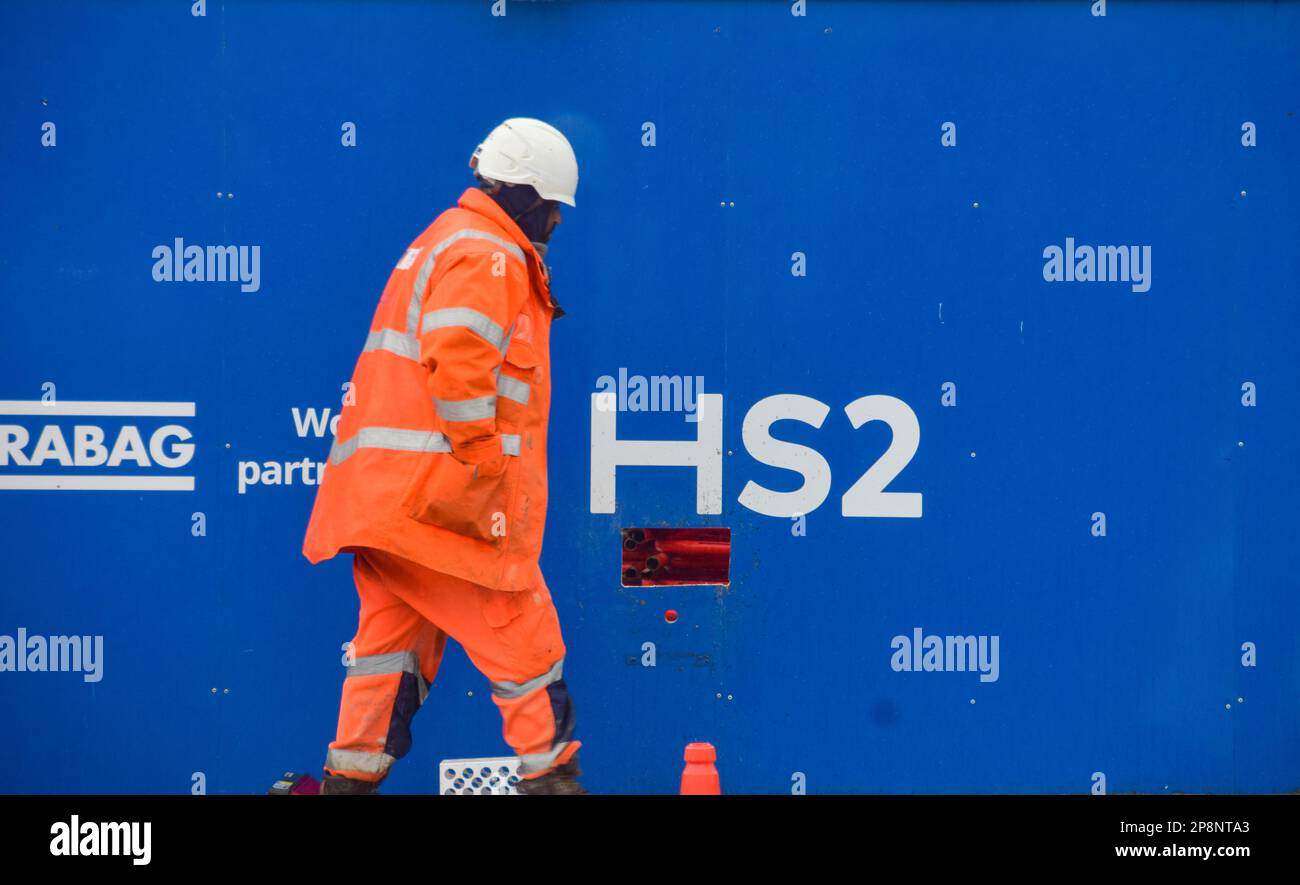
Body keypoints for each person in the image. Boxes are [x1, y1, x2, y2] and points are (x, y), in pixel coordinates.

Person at [302, 118, 585, 795]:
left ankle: (347, 783)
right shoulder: (488, 251)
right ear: (524, 195)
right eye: (550, 208)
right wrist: (484, 461)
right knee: (524, 634)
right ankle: (553, 779)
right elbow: (457, 359)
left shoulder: (448, 237)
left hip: (393, 507)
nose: (553, 223)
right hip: (441, 506)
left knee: (387, 654)